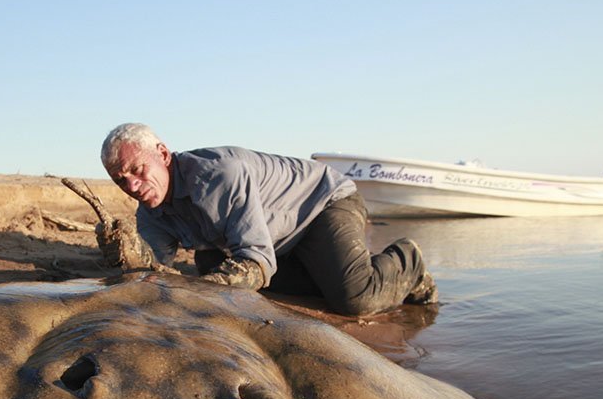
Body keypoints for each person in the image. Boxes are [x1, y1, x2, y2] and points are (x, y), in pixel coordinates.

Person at [96, 122, 437, 316]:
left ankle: (408, 261)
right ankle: (326, 268)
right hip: (274, 233)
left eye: (138, 171)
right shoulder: (150, 210)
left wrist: (208, 288)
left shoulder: (218, 176)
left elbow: (256, 264)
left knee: (354, 299)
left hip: (322, 203)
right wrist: (128, 256)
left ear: (163, 154)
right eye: (120, 180)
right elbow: (151, 274)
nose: (133, 186)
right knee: (209, 263)